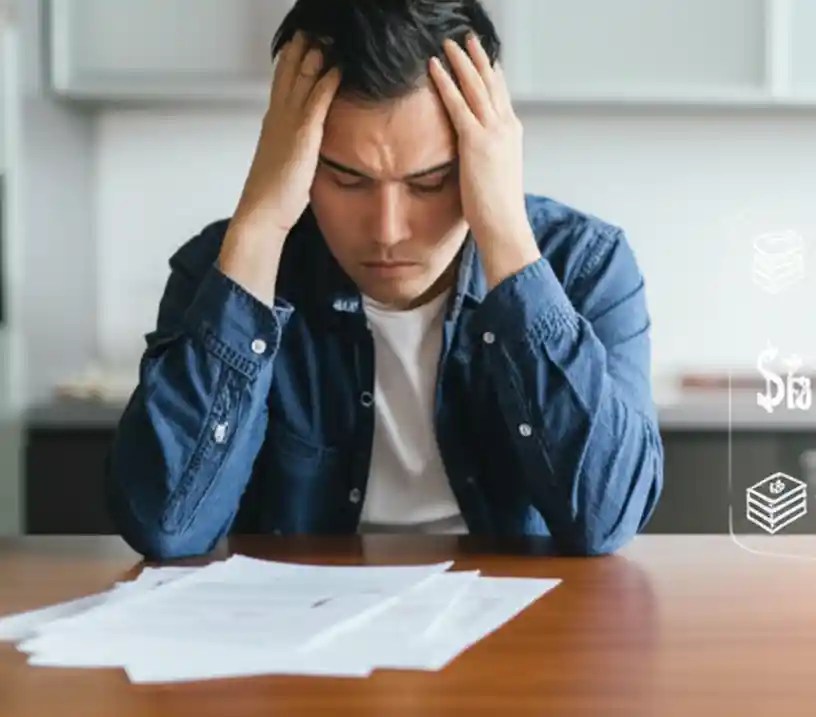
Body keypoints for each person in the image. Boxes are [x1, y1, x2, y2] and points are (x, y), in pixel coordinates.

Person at [105, 0, 663, 560]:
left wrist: (508, 238)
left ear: (483, 158)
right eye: (347, 179)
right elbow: (165, 526)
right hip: (294, 632)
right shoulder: (222, 269)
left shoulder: (585, 265)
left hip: (511, 638)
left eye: (431, 182)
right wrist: (260, 223)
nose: (388, 230)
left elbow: (606, 520)